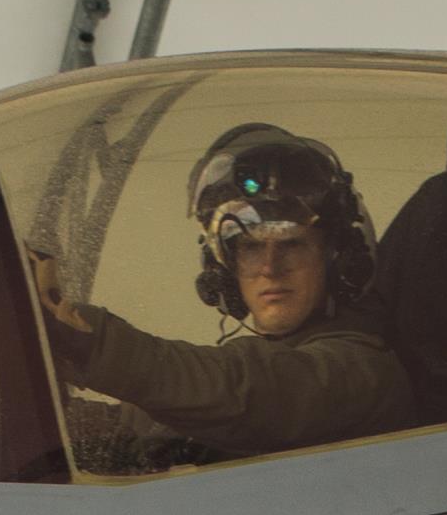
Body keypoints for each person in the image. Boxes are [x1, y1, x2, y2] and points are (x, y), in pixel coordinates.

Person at [31, 122, 420, 464]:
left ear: (337, 259)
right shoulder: (220, 393)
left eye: (292, 244)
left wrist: (86, 339)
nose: (269, 267)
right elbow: (131, 424)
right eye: (250, 247)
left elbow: (244, 390)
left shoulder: (363, 372)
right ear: (223, 269)